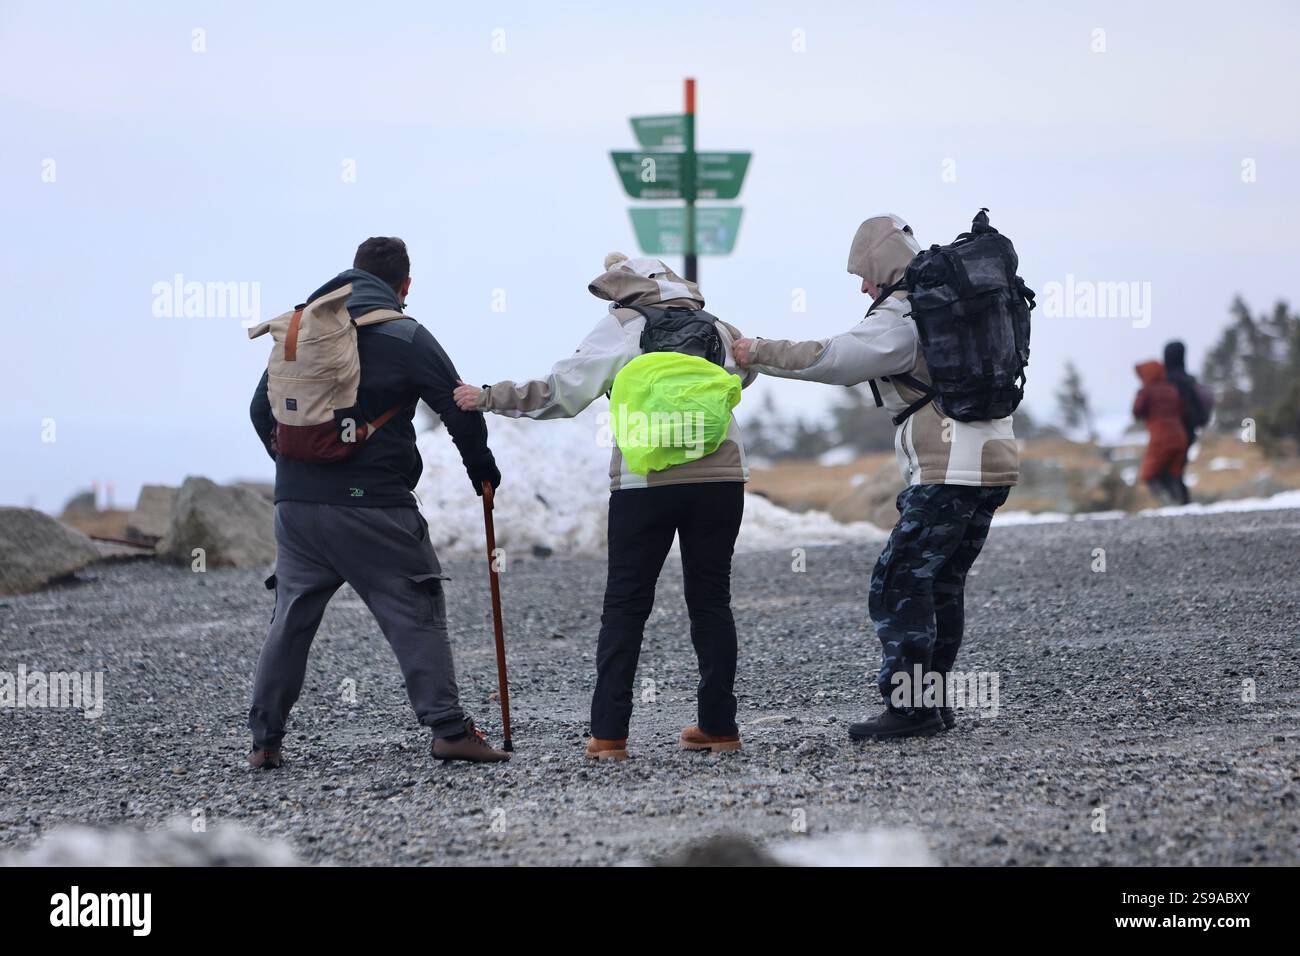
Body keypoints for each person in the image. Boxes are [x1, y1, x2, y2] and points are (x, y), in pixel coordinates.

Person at [453, 253, 754, 760]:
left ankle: (610, 734)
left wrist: (487, 396)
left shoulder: (621, 325)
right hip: (719, 475)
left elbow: (560, 394)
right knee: (711, 601)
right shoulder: (720, 327)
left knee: (626, 605)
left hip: (645, 481)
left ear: (626, 288)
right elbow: (743, 381)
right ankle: (720, 727)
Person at [733, 214, 1017, 741]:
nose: (864, 286)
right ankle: (930, 703)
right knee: (941, 583)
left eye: (864, 274)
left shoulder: (905, 313)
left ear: (883, 267)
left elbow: (831, 359)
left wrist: (756, 351)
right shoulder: (956, 301)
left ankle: (910, 711)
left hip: (947, 469)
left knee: (899, 584)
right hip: (995, 458)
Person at [247, 237, 510, 767]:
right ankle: (449, 729)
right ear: (405, 287)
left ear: (349, 277)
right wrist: (482, 471)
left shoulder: (303, 334)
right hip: (375, 510)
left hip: (295, 508)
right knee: (416, 608)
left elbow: (261, 410)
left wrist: (297, 472)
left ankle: (265, 741)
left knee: (290, 618)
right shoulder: (405, 335)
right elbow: (458, 408)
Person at [1132, 360, 1189, 504]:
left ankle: (1165, 503)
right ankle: (1180, 502)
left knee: (1148, 474)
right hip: (1180, 436)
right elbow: (1181, 409)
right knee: (1173, 473)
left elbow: (1137, 411)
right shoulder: (1171, 389)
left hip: (1161, 437)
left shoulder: (1147, 391)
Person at [1162, 340, 1207, 503]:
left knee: (1170, 470)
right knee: (1177, 469)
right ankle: (1181, 501)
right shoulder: (1189, 381)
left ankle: (1178, 501)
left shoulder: (1167, 382)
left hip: (1171, 432)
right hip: (1188, 432)